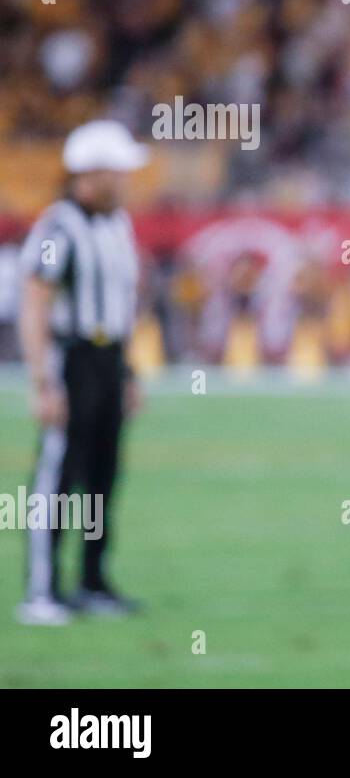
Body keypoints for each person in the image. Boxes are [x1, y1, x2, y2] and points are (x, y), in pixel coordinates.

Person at [16, 119, 148, 625]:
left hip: (108, 358)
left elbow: (120, 306)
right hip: (70, 357)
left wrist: (129, 371)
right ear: (89, 174)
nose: (128, 181)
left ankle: (93, 581)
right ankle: (42, 590)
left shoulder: (117, 224)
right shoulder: (58, 225)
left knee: (102, 475)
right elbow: (35, 301)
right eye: (118, 172)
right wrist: (43, 382)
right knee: (57, 474)